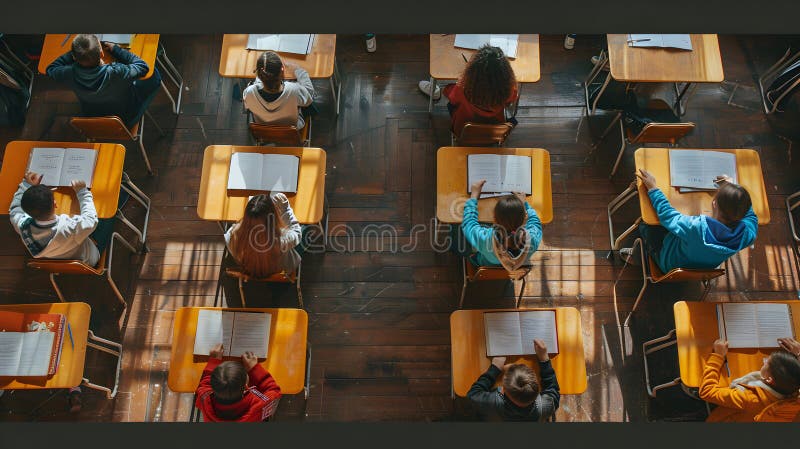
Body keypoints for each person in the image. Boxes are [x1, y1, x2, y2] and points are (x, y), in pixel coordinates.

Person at [623, 169, 758, 272]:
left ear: (714, 203)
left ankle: (639, 256)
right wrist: (735, 193)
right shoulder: (746, 235)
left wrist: (653, 188)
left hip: (670, 264)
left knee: (647, 224)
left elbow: (668, 216)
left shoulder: (697, 227)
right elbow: (751, 217)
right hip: (702, 269)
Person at [46, 34, 162, 128]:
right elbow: (142, 67)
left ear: (74, 57)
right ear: (101, 53)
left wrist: (77, 52)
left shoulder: (68, 74)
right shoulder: (116, 72)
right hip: (125, 118)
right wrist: (117, 50)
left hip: (93, 118)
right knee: (154, 74)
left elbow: (50, 69)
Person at [9, 171, 113, 266]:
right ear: (55, 204)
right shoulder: (70, 228)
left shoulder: (22, 226)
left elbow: (14, 210)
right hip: (88, 259)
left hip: (56, 261)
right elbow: (91, 220)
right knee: (108, 213)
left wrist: (26, 185)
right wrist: (82, 192)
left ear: (26, 212)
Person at [419, 45, 519, 136]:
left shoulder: (462, 89)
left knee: (451, 103)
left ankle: (434, 91)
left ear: (473, 70)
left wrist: (448, 88)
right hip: (494, 131)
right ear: (506, 72)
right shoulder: (510, 90)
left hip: (463, 129)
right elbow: (510, 101)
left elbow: (452, 98)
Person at [699, 339, 800, 422]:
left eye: (766, 363)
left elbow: (707, 391)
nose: (764, 361)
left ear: (769, 379)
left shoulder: (748, 399)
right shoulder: (794, 393)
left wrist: (718, 356)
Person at [467, 339, 560, 421]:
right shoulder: (546, 407)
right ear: (537, 390)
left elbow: (472, 394)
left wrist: (494, 369)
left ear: (503, 390)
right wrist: (544, 360)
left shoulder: (491, 403)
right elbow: (553, 390)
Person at [459, 179, 541, 271]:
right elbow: (535, 221)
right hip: (515, 268)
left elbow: (469, 224)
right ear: (524, 218)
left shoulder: (486, 239)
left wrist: (474, 196)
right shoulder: (532, 240)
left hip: (486, 264)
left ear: (494, 219)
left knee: (457, 232)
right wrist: (524, 204)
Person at [195, 343, 282, 422]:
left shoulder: (204, 399)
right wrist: (254, 369)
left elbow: (204, 385)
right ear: (246, 387)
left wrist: (213, 361)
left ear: (212, 385)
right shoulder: (259, 405)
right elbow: (274, 391)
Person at [224, 193, 303, 278]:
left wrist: (255, 215)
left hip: (250, 271)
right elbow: (297, 233)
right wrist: (285, 209)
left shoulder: (230, 237)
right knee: (305, 229)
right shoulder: (281, 242)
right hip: (281, 270)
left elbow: (240, 227)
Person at [242, 51, 315, 130]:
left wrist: (262, 77)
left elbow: (247, 105)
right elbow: (309, 96)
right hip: (291, 130)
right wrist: (299, 70)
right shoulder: (294, 90)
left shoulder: (249, 93)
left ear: (259, 74)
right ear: (282, 70)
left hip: (264, 131)